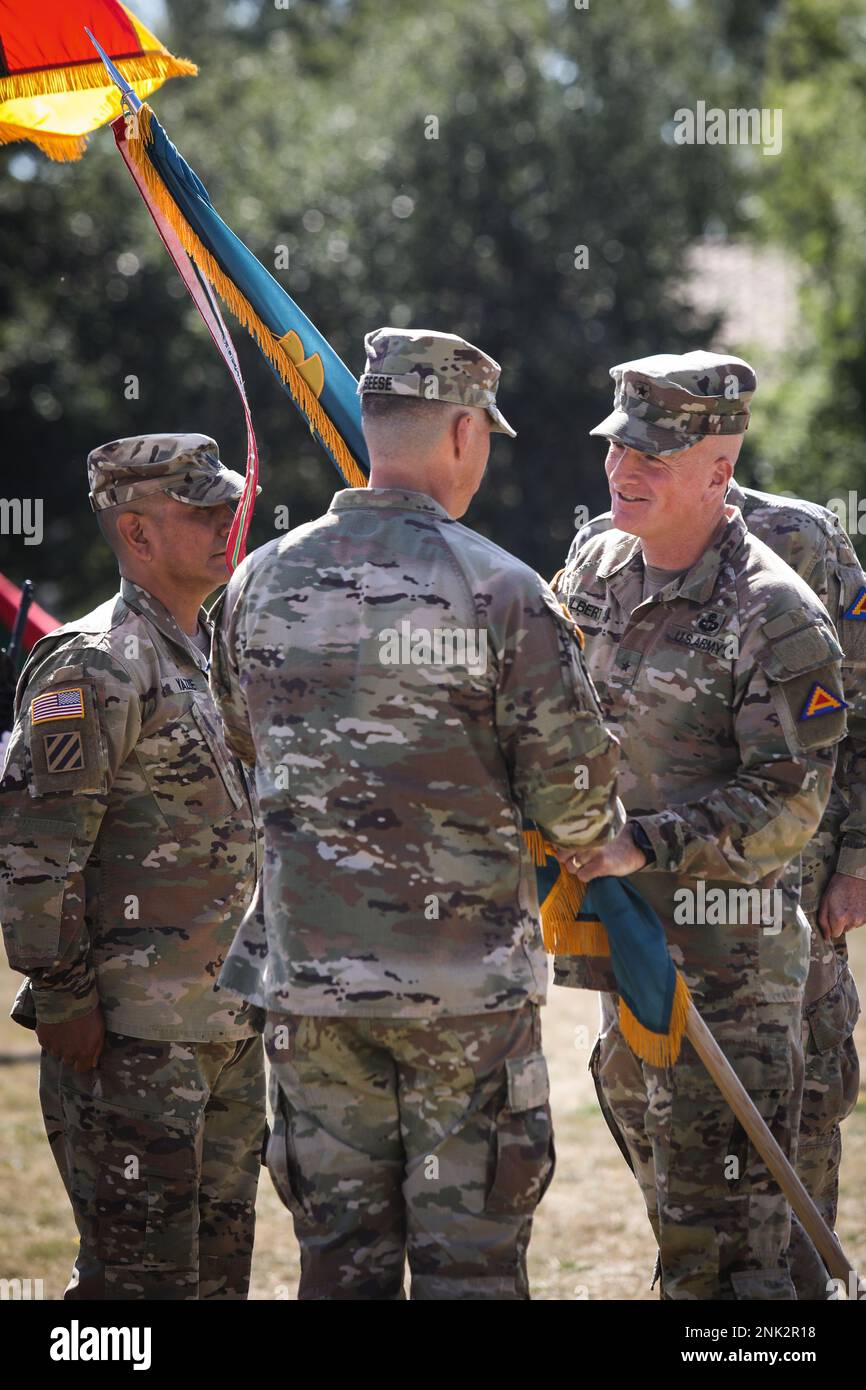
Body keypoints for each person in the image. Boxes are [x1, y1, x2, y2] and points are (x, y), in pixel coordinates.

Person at [211, 327, 623, 1300]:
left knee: (339, 1264)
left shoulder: (254, 583)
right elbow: (576, 806)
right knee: (469, 1268)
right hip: (463, 999)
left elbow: (247, 749)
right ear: (462, 432)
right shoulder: (504, 591)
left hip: (310, 985)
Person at [551, 352, 850, 1299]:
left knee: (732, 1260)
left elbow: (792, 801)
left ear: (719, 473)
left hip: (732, 975)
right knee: (678, 1231)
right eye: (616, 448)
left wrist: (648, 842)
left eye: (650, 457)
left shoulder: (776, 614)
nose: (621, 471)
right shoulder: (596, 567)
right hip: (629, 951)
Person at [0, 433, 264, 1300]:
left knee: (218, 1278)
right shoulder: (96, 663)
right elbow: (38, 852)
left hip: (226, 1027)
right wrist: (67, 999)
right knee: (136, 1288)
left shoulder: (210, 651)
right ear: (138, 534)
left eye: (231, 506)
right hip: (131, 1040)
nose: (230, 522)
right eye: (203, 511)